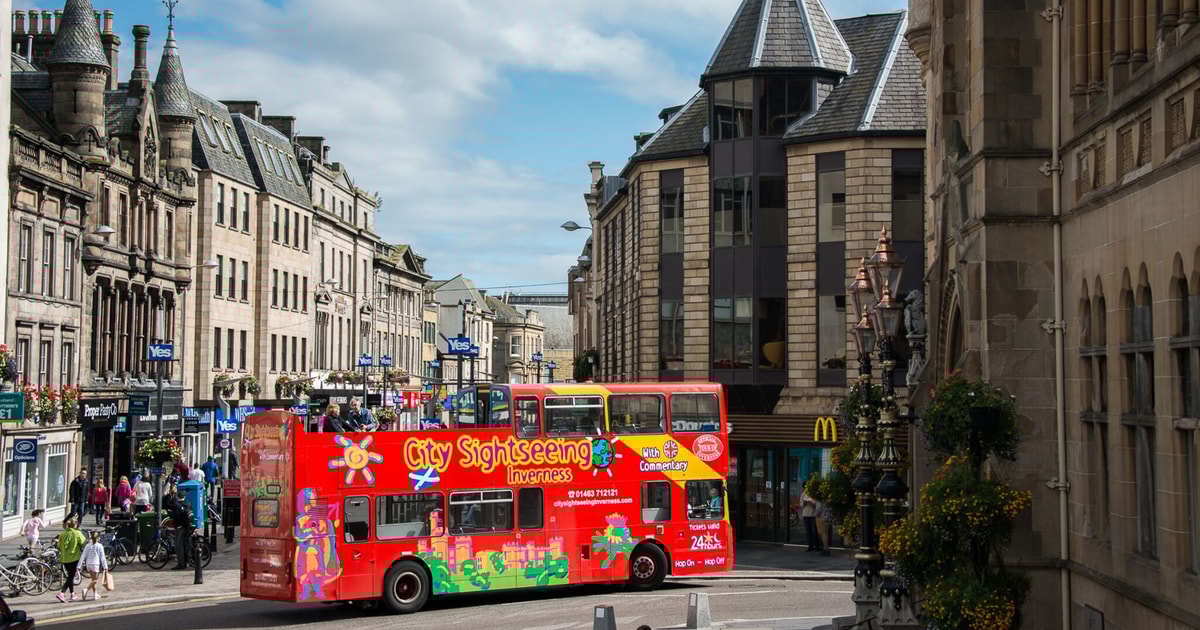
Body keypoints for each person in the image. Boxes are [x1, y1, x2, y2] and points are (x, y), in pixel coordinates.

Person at [54, 519, 86, 603]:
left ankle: (72, 594)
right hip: (74, 558)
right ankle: (61, 592)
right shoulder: (77, 533)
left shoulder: (63, 534)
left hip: (64, 558)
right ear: (75, 525)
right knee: (71, 576)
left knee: (70, 575)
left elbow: (58, 545)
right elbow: (84, 543)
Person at [165, 488, 194, 570]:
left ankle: (181, 563)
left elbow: (174, 515)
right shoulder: (188, 503)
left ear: (178, 497)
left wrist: (170, 496)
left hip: (180, 527)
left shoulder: (177, 505)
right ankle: (189, 560)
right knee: (186, 544)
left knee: (179, 546)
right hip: (188, 526)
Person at [79, 530, 109, 601]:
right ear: (98, 538)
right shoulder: (99, 546)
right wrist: (105, 567)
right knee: (95, 580)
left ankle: (95, 594)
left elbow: (83, 555)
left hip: (88, 564)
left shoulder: (88, 545)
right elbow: (102, 557)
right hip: (95, 564)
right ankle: (86, 589)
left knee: (93, 580)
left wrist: (79, 566)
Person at [801, 476, 823, 553]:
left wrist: (811, 503)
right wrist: (804, 502)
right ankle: (810, 546)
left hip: (813, 514)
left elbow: (817, 505)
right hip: (806, 514)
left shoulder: (813, 494)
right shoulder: (803, 494)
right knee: (808, 531)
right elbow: (801, 505)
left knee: (814, 531)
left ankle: (817, 546)